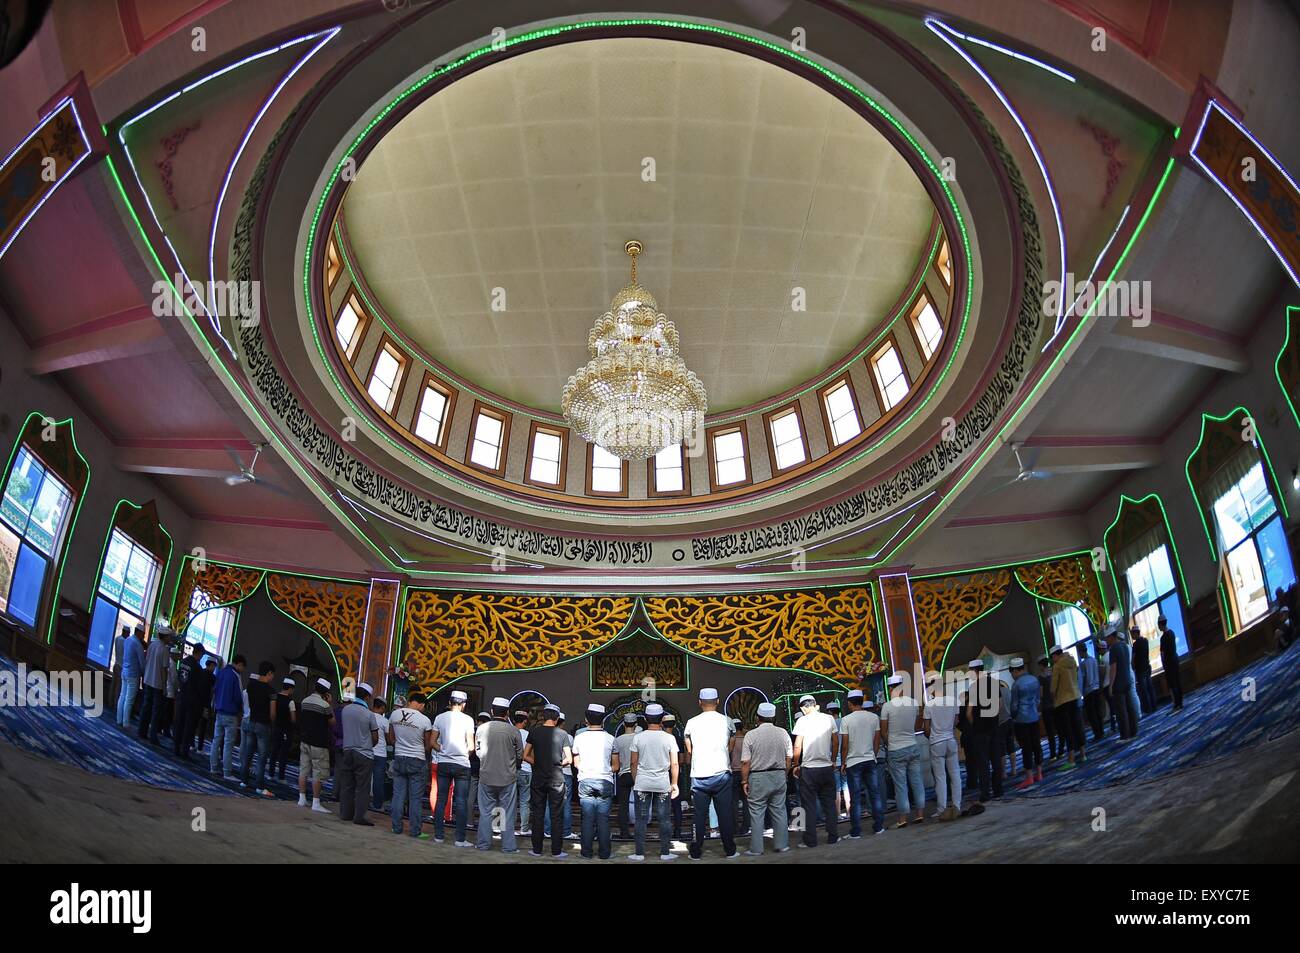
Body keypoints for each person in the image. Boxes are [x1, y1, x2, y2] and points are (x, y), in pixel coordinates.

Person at [684, 688, 737, 859]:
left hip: (699, 775)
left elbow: (689, 747)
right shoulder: (727, 721)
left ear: (700, 702)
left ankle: (696, 852)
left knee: (699, 816)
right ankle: (730, 850)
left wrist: (695, 753)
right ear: (718, 701)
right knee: (725, 814)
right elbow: (731, 744)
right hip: (722, 773)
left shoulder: (691, 722)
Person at [740, 702, 792, 855]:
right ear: (773, 717)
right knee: (780, 811)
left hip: (758, 777)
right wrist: (785, 773)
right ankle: (782, 845)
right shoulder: (783, 733)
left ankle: (756, 849)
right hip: (779, 775)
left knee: (756, 813)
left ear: (757, 717)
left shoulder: (751, 735)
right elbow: (789, 757)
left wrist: (744, 780)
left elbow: (745, 762)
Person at [630, 703, 679, 861]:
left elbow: (633, 763)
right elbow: (675, 763)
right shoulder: (669, 738)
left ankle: (639, 854)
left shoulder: (638, 737)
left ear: (645, 718)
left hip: (642, 782)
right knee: (664, 819)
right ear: (662, 719)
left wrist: (636, 780)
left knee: (641, 819)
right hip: (662, 783)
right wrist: (675, 783)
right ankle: (665, 852)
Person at [473, 697, 522, 852]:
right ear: (507, 713)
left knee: (486, 811)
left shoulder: (481, 729)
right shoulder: (513, 730)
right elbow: (519, 755)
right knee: (506, 812)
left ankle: (483, 844)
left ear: (492, 711)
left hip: (486, 776)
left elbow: (477, 752)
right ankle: (508, 847)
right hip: (507, 778)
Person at [792, 694, 840, 846]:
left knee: (809, 805)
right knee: (829, 804)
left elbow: (797, 745)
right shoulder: (828, 718)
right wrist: (833, 760)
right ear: (815, 704)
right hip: (826, 767)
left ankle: (811, 841)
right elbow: (835, 741)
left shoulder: (802, 720)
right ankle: (833, 836)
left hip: (809, 770)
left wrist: (795, 764)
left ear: (803, 708)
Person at [572, 703, 618, 860]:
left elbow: (576, 763)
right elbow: (616, 766)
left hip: (585, 781)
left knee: (587, 818)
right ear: (603, 720)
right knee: (603, 819)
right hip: (605, 781)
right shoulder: (611, 739)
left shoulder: (579, 738)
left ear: (586, 720)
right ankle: (605, 853)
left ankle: (586, 853)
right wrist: (604, 770)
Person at [523, 705, 570, 857]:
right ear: (557, 719)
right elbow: (568, 759)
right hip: (556, 779)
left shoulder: (534, 732)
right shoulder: (563, 734)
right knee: (556, 815)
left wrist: (537, 763)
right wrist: (557, 764)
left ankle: (536, 850)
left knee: (538, 814)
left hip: (538, 779)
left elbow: (525, 755)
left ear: (543, 716)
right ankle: (556, 851)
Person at [430, 689, 475, 846]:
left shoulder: (439, 718)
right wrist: (462, 754)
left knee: (441, 799)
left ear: (450, 703)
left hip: (443, 763)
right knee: (461, 801)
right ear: (463, 704)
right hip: (462, 764)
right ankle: (460, 839)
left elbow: (432, 742)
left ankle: (438, 836)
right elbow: (471, 747)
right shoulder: (468, 720)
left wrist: (442, 750)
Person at [880, 675, 924, 827]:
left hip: (896, 749)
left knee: (900, 785)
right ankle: (919, 814)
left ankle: (903, 819)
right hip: (912, 745)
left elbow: (884, 732)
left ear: (891, 688)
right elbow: (918, 726)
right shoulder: (913, 703)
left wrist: (888, 744)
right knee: (917, 782)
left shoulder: (887, 706)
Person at [388, 692, 433, 838]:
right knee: (415, 798)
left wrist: (401, 746)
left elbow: (391, 738)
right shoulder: (425, 720)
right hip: (417, 759)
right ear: (421, 704)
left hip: (399, 757)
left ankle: (396, 828)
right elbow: (427, 745)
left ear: (409, 701)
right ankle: (415, 831)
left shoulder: (394, 715)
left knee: (398, 795)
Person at [840, 689, 885, 834]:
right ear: (861, 700)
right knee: (874, 793)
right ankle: (879, 826)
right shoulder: (873, 718)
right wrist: (873, 754)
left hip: (853, 763)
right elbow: (877, 740)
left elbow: (845, 745)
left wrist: (843, 762)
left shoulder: (846, 720)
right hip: (870, 759)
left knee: (856, 797)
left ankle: (856, 831)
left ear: (849, 703)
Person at [921, 676, 961, 820]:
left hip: (937, 743)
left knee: (940, 778)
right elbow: (956, 721)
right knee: (955, 774)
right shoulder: (953, 700)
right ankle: (957, 806)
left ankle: (941, 809)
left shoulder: (930, 705)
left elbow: (926, 728)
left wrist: (933, 736)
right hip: (950, 740)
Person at [962, 660, 999, 812]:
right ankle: (999, 789)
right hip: (994, 727)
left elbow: (969, 712)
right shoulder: (994, 683)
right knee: (995, 759)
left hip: (980, 730)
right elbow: (999, 704)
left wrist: (974, 725)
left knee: (983, 763)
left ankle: (986, 793)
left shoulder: (973, 687)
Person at [239, 661, 277, 798]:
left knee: (248, 753)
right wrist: (272, 724)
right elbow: (272, 713)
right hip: (263, 725)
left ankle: (243, 780)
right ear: (269, 673)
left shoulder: (251, 686)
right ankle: (259, 786)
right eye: (273, 674)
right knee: (261, 757)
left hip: (251, 721)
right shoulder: (271, 691)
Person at [297, 679, 335, 813]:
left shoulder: (305, 701)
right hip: (319, 743)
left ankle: (301, 798)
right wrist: (329, 704)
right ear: (326, 693)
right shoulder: (325, 705)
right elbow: (332, 722)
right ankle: (316, 802)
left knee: (303, 769)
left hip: (304, 740)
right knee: (318, 773)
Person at [209, 655, 246, 779]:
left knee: (216, 740)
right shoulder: (236, 676)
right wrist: (240, 710)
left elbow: (215, 689)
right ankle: (227, 772)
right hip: (231, 714)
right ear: (239, 664)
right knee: (228, 744)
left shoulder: (221, 672)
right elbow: (238, 697)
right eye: (242, 667)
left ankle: (213, 767)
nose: (242, 670)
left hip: (219, 711)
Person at [1008, 658, 1043, 789]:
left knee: (1026, 749)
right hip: (1034, 717)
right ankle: (1039, 773)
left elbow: (1014, 706)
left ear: (1016, 670)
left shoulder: (1016, 685)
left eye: (1012, 672)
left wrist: (1013, 716)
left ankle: (1029, 777)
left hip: (1021, 721)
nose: (1012, 675)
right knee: (1036, 746)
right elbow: (1038, 700)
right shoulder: (1034, 679)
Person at [1049, 646, 1085, 767]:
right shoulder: (1072, 661)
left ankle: (1071, 760)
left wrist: (1053, 699)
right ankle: (1083, 754)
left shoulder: (1057, 666)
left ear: (1055, 655)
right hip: (1075, 696)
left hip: (1063, 700)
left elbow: (1053, 687)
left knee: (1068, 729)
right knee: (1078, 726)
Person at [1106, 628, 1140, 740]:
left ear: (1112, 636)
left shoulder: (1113, 649)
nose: (1106, 641)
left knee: (1121, 710)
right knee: (1129, 707)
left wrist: (1110, 686)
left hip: (1119, 683)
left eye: (1107, 638)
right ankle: (1134, 730)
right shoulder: (1125, 646)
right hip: (1127, 679)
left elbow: (1113, 668)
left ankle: (1125, 734)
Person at [137, 630, 170, 743]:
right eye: (169, 637)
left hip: (148, 679)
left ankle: (141, 731)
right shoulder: (164, 649)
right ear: (165, 637)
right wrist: (165, 687)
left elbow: (146, 660)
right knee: (156, 711)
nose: (170, 639)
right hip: (158, 683)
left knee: (146, 706)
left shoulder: (152, 644)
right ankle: (153, 736)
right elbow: (164, 669)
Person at [173, 641, 205, 758]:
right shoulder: (197, 667)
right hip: (192, 700)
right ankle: (184, 751)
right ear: (200, 653)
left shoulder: (183, 662)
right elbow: (199, 687)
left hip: (182, 696)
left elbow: (179, 677)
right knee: (188, 726)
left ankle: (176, 747)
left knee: (179, 723)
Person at [612, 712, 638, 839]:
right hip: (638, 774)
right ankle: (640, 831)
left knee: (623, 805)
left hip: (623, 775)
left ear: (623, 724)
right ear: (636, 724)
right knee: (641, 804)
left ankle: (624, 832)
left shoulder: (617, 740)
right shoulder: (639, 738)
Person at [661, 712, 686, 840]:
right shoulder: (679, 739)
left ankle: (664, 832)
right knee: (676, 805)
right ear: (674, 725)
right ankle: (677, 831)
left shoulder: (660, 739)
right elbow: (681, 760)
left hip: (662, 775)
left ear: (662, 724)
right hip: (676, 775)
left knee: (663, 805)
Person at [268, 676, 297, 781]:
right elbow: (293, 719)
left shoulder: (274, 697)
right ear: (290, 688)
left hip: (276, 727)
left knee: (274, 751)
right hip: (286, 730)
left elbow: (272, 714)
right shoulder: (291, 701)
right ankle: (281, 776)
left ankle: (270, 774)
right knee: (283, 754)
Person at [1077, 642, 1105, 742]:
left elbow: (1082, 680)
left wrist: (1080, 693)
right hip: (1096, 689)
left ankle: (1097, 733)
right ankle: (1101, 731)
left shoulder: (1083, 664)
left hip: (1088, 692)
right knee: (1098, 712)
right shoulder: (1094, 660)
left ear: (1080, 652)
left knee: (1092, 714)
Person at [1158, 615, 1185, 710]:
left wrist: (1163, 663)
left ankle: (1177, 703)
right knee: (1177, 681)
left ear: (1160, 625)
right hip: (1175, 659)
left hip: (1169, 662)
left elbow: (1162, 653)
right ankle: (1180, 702)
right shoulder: (1172, 633)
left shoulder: (1163, 637)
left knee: (1173, 684)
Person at [1036, 656, 1060, 761]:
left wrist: (1039, 705)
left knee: (1050, 732)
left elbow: (1040, 694)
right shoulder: (1053, 673)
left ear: (1041, 665)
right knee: (1059, 728)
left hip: (1046, 707)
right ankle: (1062, 750)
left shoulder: (1040, 678)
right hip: (1056, 704)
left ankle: (1053, 754)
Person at [512, 710, 531, 834]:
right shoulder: (529, 734)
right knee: (525, 801)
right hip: (526, 770)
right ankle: (524, 828)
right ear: (525, 721)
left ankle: (508, 827)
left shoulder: (509, 732)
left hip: (510, 770)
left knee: (509, 800)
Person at [1131, 626, 1156, 714]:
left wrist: (1133, 666)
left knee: (1144, 690)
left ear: (1135, 633)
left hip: (1140, 669)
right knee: (1150, 688)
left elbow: (1133, 657)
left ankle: (1148, 708)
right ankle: (1154, 706)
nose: (1131, 635)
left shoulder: (1135, 644)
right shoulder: (1145, 641)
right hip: (1147, 667)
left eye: (1132, 633)